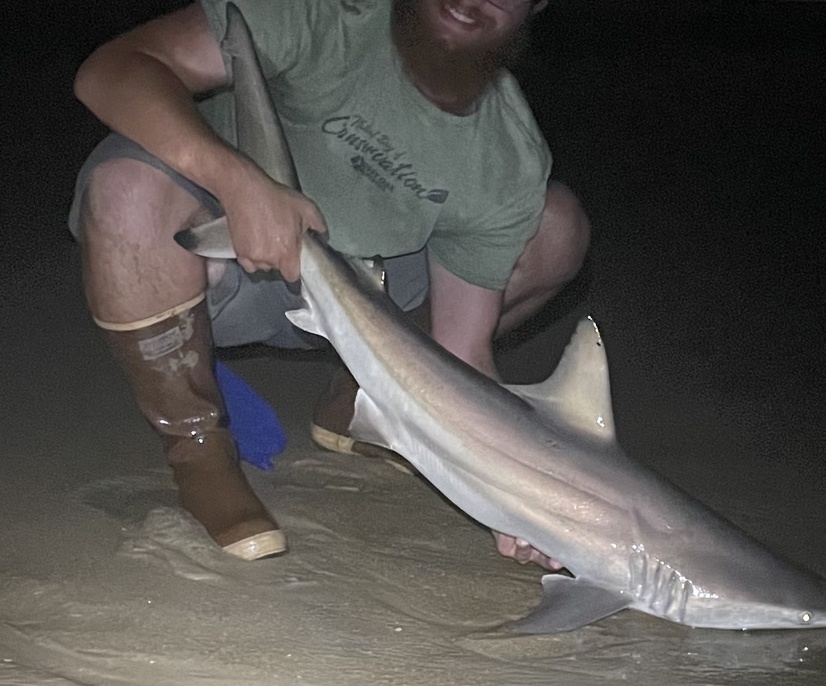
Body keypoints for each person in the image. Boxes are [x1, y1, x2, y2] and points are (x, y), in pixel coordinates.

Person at [69, 0, 589, 566]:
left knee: (556, 228)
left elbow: (462, 351)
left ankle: (363, 396)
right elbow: (114, 69)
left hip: (369, 306)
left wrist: (506, 496)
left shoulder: (507, 150)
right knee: (125, 185)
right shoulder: (326, 14)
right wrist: (234, 177)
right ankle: (199, 454)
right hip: (223, 263)